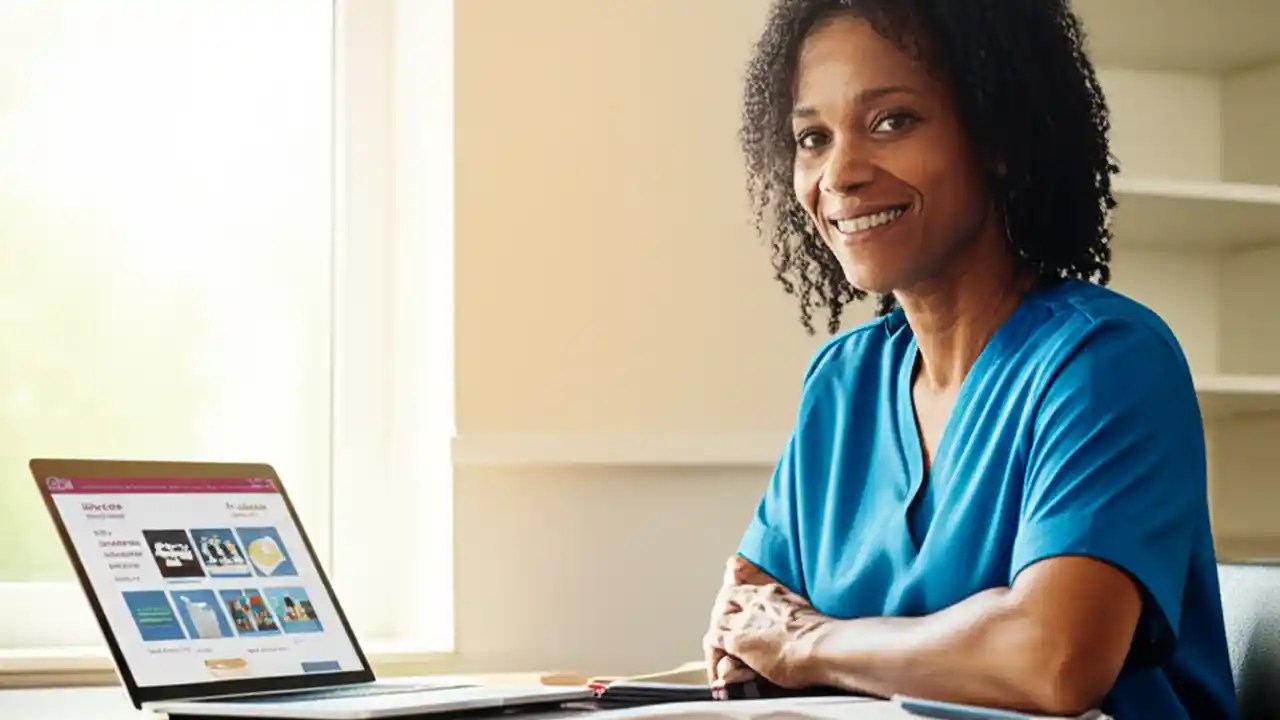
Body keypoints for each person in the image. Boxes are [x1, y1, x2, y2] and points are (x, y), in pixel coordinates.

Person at [702, 2, 1238, 718]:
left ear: (997, 136)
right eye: (812, 136)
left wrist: (812, 647)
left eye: (892, 121)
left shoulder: (1104, 363)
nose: (841, 172)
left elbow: (1053, 658)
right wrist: (786, 646)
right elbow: (746, 625)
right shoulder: (844, 382)